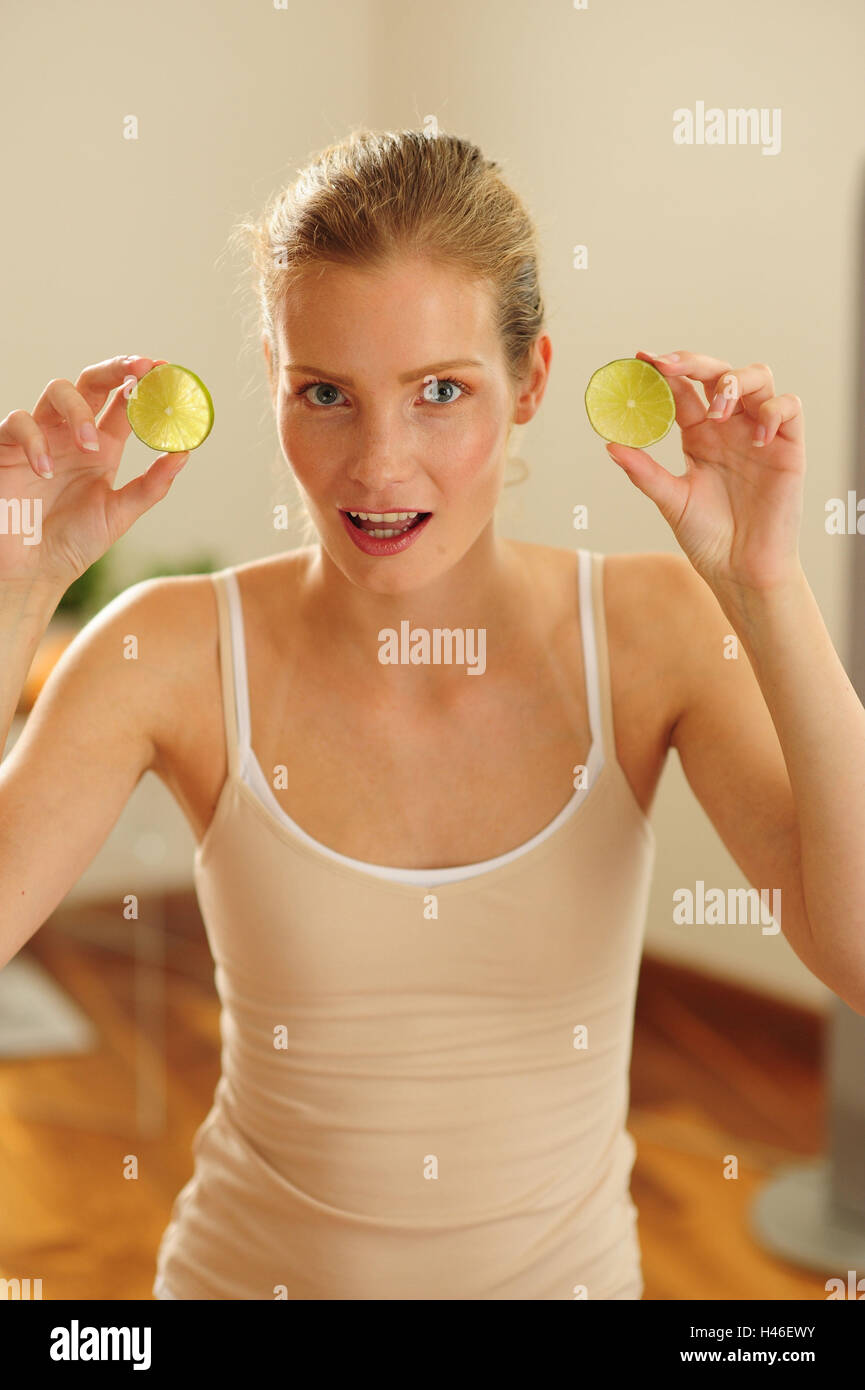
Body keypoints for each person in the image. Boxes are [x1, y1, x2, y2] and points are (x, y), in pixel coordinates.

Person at [1, 128, 862, 1301]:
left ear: (533, 383)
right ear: (274, 377)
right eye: (326, 394)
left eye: (440, 392)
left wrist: (766, 586)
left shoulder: (649, 628)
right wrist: (19, 579)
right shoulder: (173, 649)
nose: (378, 464)